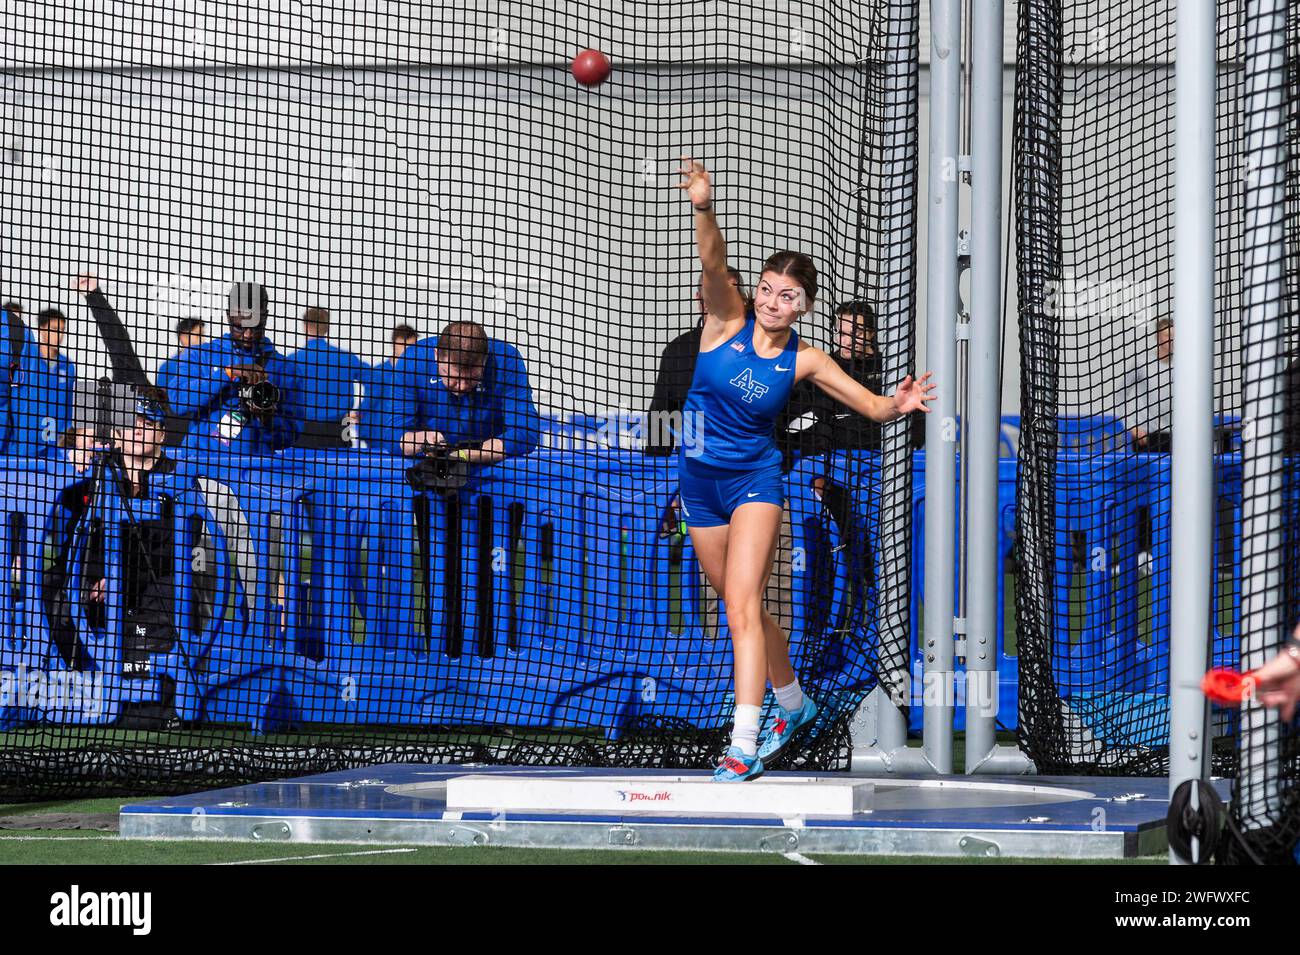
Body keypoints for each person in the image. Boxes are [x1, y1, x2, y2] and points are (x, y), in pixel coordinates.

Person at [674, 157, 935, 781]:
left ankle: (743, 743)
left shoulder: (807, 361)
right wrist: (703, 207)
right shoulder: (722, 322)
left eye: (786, 296)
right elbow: (713, 262)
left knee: (743, 605)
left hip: (754, 484)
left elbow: (871, 405)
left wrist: (897, 404)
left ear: (803, 308)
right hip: (697, 486)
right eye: (765, 289)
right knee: (745, 609)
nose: (771, 301)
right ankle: (794, 703)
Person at [164, 282, 302, 454]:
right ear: (228, 316)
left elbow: (291, 435)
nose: (248, 335)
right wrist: (227, 374)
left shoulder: (284, 368)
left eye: (255, 327)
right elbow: (178, 402)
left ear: (265, 318)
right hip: (204, 464)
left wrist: (267, 418)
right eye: (239, 327)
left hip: (256, 471)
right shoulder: (199, 356)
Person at [377, 320, 541, 464]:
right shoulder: (412, 361)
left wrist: (468, 454)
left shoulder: (506, 359)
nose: (462, 386)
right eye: (453, 377)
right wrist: (421, 440)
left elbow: (527, 431)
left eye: (472, 378)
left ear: (485, 360)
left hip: (490, 470)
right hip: (431, 468)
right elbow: (392, 435)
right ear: (437, 356)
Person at [282, 306, 369, 449]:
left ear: (304, 326)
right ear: (327, 328)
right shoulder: (346, 359)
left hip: (303, 433)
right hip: (339, 431)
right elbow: (377, 382)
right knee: (339, 470)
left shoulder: (292, 362)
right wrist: (361, 410)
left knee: (301, 470)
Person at [356, 324, 418, 448]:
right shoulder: (378, 373)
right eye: (402, 345)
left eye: (411, 347)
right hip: (378, 439)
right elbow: (368, 404)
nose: (406, 350)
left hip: (407, 439)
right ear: (393, 344)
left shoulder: (419, 376)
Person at [1119, 317, 1173, 450]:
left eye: (1174, 336)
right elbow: (1120, 394)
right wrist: (1132, 426)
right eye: (1167, 336)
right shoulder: (1142, 364)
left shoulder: (1183, 366)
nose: (1171, 340)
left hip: (1173, 436)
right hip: (1145, 437)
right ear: (1157, 337)